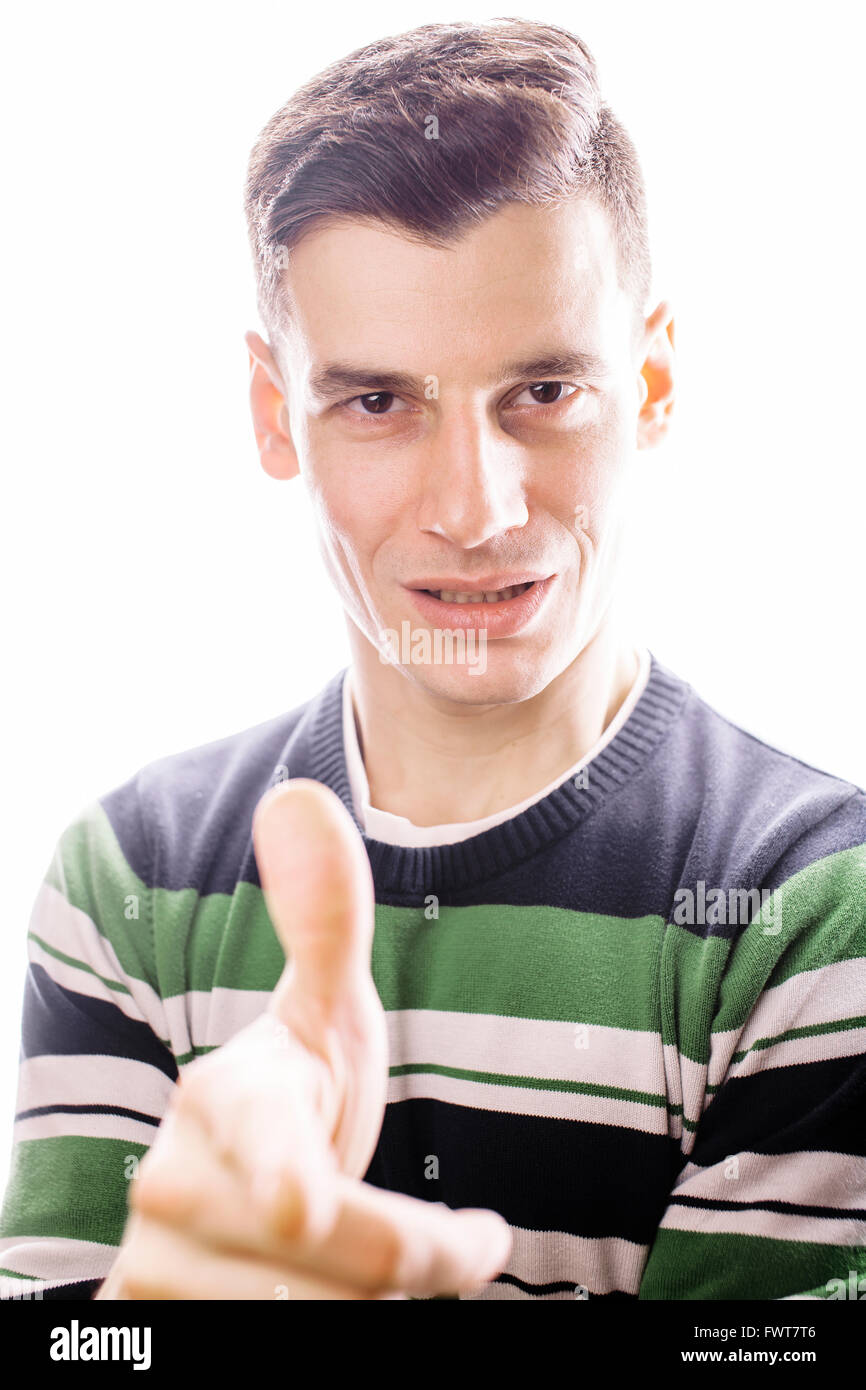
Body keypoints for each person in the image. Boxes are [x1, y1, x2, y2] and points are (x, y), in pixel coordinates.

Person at [2, 18, 864, 1302]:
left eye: (543, 391)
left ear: (653, 377)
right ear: (270, 412)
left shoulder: (816, 919)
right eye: (377, 401)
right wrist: (148, 1318)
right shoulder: (127, 887)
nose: (475, 508)